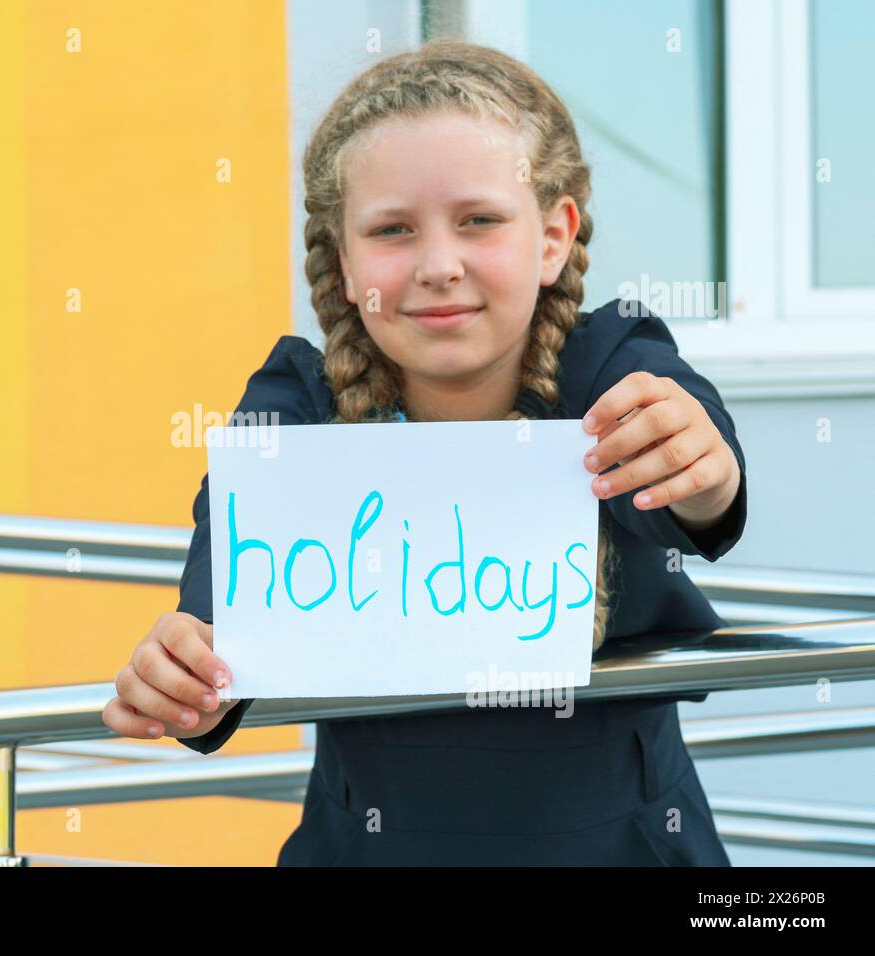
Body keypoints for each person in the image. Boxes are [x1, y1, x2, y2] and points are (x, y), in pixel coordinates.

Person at [103, 39, 747, 865]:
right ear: (342, 263)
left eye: (479, 221)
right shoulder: (297, 404)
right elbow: (224, 607)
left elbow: (701, 481)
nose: (439, 266)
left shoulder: (611, 364)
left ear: (553, 237)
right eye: (393, 230)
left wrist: (704, 471)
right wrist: (183, 668)